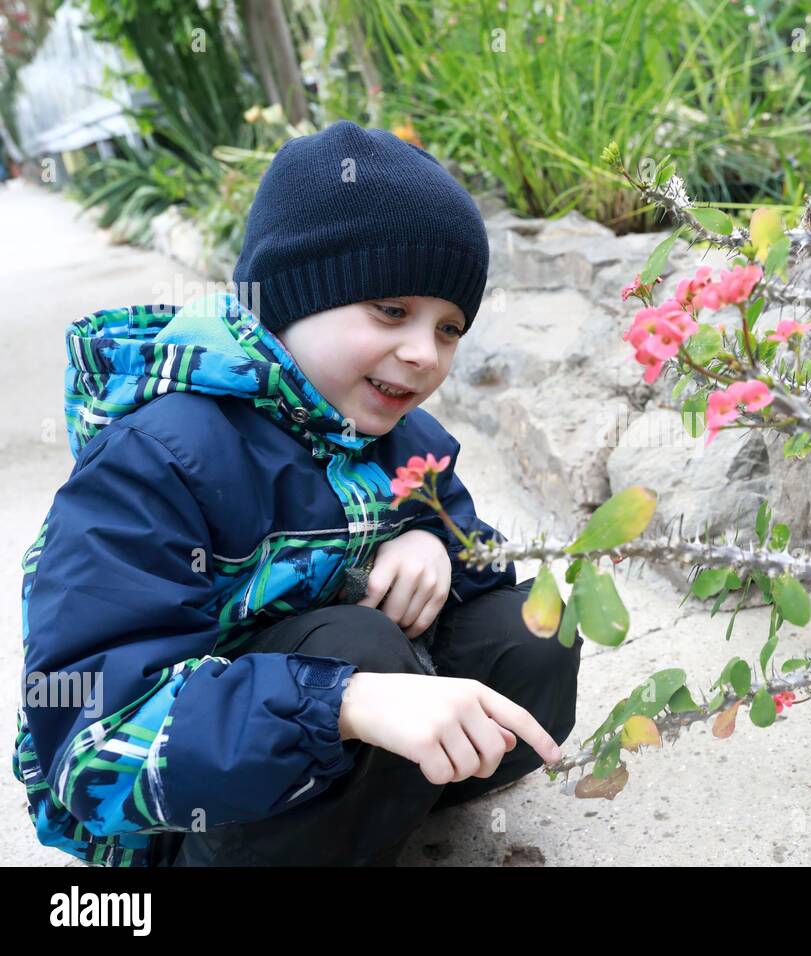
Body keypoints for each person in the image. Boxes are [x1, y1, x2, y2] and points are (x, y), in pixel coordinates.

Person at [13, 120, 583, 867]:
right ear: (290, 298)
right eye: (391, 311)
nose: (424, 353)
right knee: (362, 650)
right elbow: (90, 739)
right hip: (179, 813)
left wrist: (434, 545)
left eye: (449, 327)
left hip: (327, 721)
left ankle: (373, 804)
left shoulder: (400, 437)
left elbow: (482, 563)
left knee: (534, 632)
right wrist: (344, 703)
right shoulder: (158, 456)